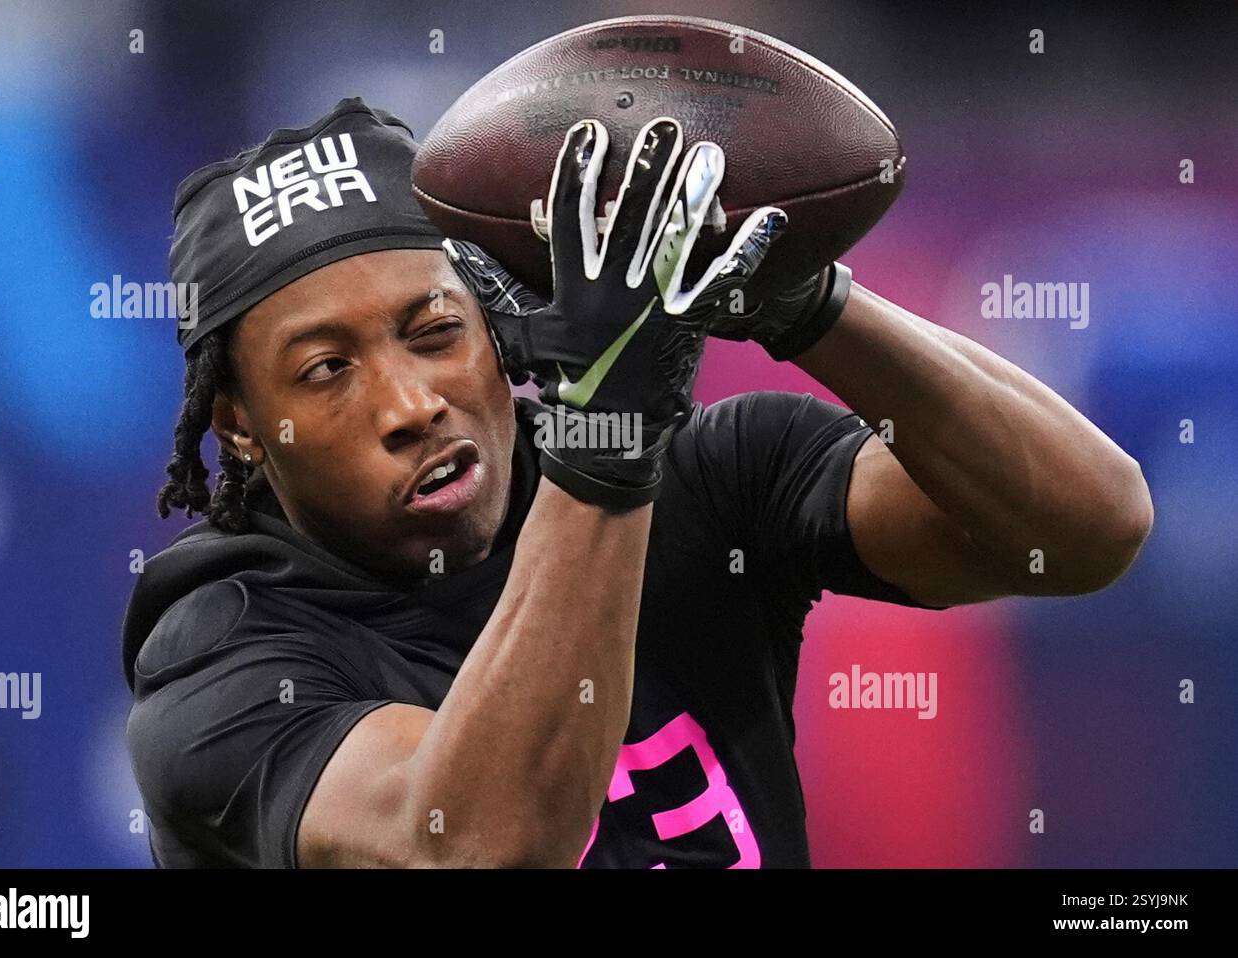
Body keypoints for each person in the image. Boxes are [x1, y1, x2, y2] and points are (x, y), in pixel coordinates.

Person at [123, 97, 1153, 868]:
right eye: (326, 371)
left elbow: (1087, 526)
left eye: (434, 333)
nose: (407, 406)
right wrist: (605, 440)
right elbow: (484, 842)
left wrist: (810, 305)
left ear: (495, 319)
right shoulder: (222, 665)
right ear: (240, 426)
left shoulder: (708, 480)